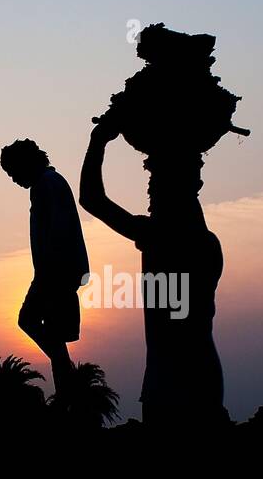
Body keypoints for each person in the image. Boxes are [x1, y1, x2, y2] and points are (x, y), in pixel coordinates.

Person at [80, 114, 228, 430]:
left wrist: (99, 140)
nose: (150, 192)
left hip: (171, 385)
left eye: (156, 184)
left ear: (178, 189)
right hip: (201, 378)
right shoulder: (206, 243)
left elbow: (91, 199)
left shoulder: (161, 236)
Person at [0, 139, 90, 398]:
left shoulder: (46, 185)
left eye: (13, 172)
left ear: (25, 164)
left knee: (29, 320)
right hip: (57, 272)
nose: (14, 179)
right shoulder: (49, 183)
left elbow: (58, 230)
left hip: (56, 273)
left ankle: (68, 386)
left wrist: (48, 274)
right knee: (53, 333)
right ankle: (67, 389)